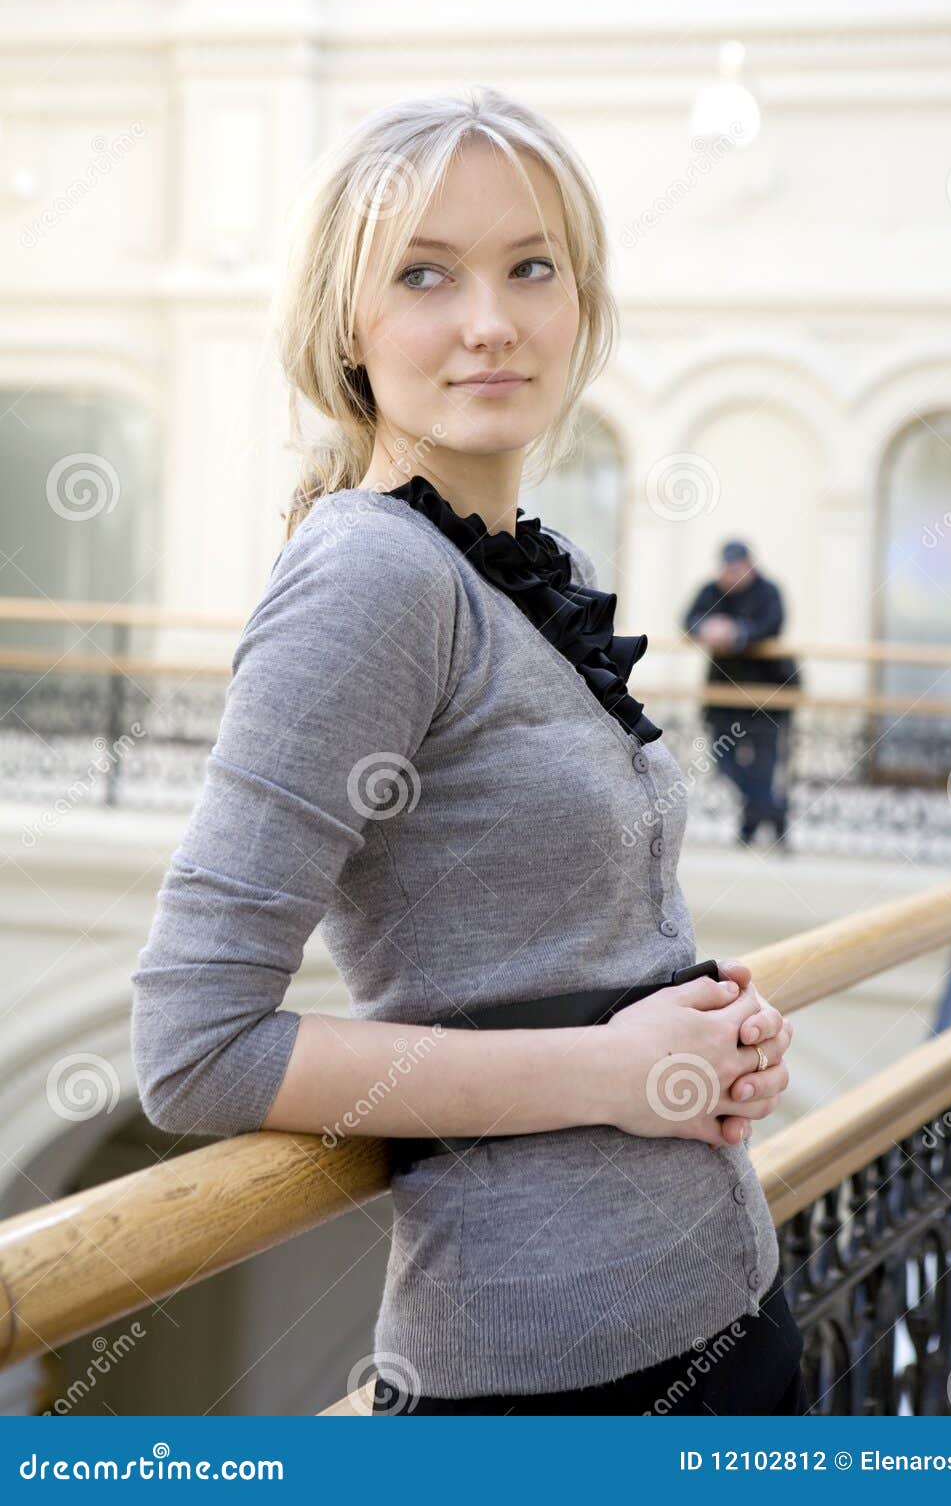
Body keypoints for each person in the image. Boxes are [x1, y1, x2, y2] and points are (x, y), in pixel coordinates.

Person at [130, 87, 806, 1417]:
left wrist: (714, 1025)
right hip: (558, 1383)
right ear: (348, 322)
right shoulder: (369, 577)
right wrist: (609, 1072)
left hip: (716, 1314)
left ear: (580, 303)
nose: (488, 319)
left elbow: (554, 945)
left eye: (529, 267)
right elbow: (192, 1042)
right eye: (425, 274)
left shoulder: (512, 567)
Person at [682, 542, 798, 848]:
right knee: (724, 762)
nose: (729, 575)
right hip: (723, 693)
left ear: (750, 566)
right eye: (725, 568)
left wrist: (736, 633)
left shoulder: (768, 591)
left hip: (768, 694)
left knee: (764, 764)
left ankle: (751, 827)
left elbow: (771, 625)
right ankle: (773, 812)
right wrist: (707, 628)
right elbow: (688, 620)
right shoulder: (711, 590)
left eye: (736, 568)